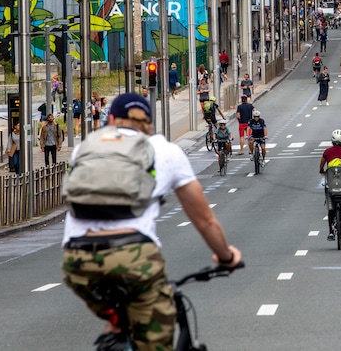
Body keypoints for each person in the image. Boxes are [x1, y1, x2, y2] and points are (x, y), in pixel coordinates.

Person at [61, 93, 242, 351]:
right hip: (135, 258)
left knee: (118, 318)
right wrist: (226, 257)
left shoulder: (85, 149)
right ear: (149, 124)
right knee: (154, 338)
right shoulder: (165, 151)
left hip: (77, 261)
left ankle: (114, 332)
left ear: (110, 121)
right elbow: (204, 220)